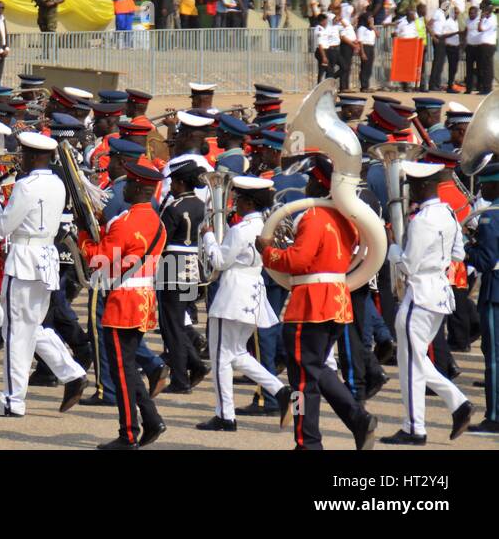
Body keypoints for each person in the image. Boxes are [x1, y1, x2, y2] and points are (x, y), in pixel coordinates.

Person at [259, 158, 378, 450]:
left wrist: (269, 252)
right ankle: (357, 418)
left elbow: (298, 261)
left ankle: (307, 442)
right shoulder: (347, 218)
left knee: (302, 381)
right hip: (336, 301)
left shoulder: (314, 216)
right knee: (316, 369)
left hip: (311, 303)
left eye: (311, 180)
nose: (307, 185)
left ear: (320, 184)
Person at [0, 131, 86, 417]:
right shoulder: (57, 183)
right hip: (45, 258)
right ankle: (71, 372)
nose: (20, 159)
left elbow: (3, 226)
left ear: (31, 156)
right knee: (31, 326)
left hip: (24, 259)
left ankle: (12, 399)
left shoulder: (25, 185)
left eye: (22, 154)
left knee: (16, 330)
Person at [381, 161, 473, 444]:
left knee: (410, 364)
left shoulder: (422, 219)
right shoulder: (447, 212)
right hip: (439, 293)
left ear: (422, 187)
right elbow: (458, 255)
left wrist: (392, 246)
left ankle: (414, 427)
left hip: (420, 294)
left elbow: (407, 265)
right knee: (415, 359)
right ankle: (456, 402)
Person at [80, 161, 168, 449]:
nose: (125, 188)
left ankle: (128, 433)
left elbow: (98, 260)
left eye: (129, 184)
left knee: (121, 369)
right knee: (127, 366)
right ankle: (151, 419)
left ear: (140, 188)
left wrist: (82, 237)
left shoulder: (125, 222)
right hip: (143, 299)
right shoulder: (156, 221)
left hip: (123, 301)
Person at [197, 175, 289, 431]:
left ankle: (225, 415)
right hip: (253, 291)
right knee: (236, 353)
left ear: (248, 203)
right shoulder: (266, 226)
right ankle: (280, 391)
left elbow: (219, 262)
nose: (234, 203)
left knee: (220, 357)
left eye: (238, 200)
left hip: (233, 292)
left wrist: (208, 237)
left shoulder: (240, 229)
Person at [156, 161, 208, 393]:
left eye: (174, 183)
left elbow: (161, 239)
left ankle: (181, 377)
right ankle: (194, 365)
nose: (171, 187)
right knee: (178, 321)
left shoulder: (174, 207)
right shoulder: (199, 204)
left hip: (171, 265)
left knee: (171, 325)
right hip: (191, 266)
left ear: (180, 183)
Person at [465, 164, 499, 434]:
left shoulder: (490, 217)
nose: (483, 191)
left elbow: (486, 261)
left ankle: (495, 416)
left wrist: (468, 249)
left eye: (486, 185)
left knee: (494, 358)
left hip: (495, 291)